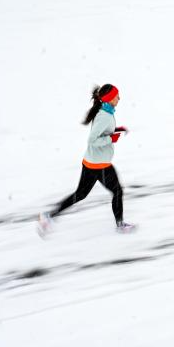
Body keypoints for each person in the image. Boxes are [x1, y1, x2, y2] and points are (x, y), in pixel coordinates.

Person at [38, 84, 136, 235]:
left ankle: (49, 216)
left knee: (80, 194)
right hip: (100, 165)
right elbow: (92, 140)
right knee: (117, 191)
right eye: (117, 96)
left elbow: (102, 133)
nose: (119, 98)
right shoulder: (104, 116)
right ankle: (120, 225)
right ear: (109, 99)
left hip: (91, 163)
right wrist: (111, 138)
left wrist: (115, 131)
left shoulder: (105, 112)